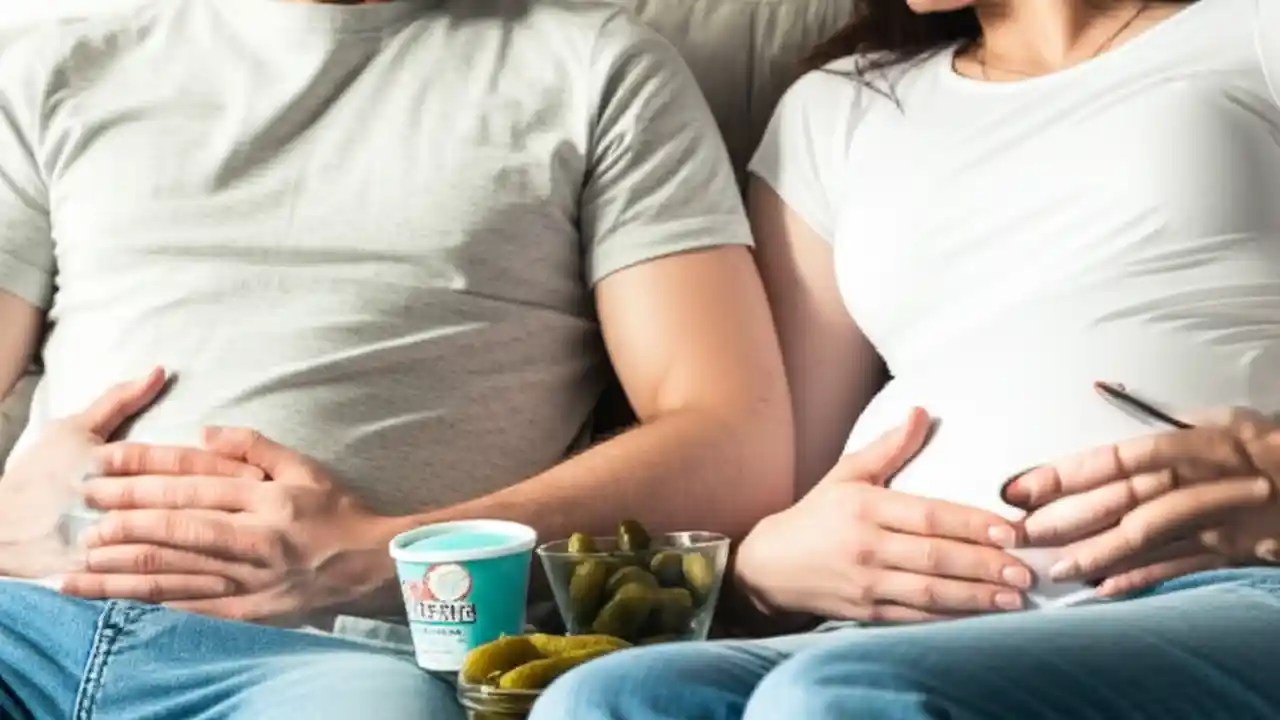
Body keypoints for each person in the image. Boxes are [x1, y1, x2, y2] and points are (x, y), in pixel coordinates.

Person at [0, 0, 794, 718]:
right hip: (24, 624)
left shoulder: (599, 70)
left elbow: (738, 441)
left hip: (332, 662)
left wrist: (388, 554)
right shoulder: (51, 68)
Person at [529, 0, 1280, 717]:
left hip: (1220, 591)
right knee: (605, 700)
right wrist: (760, 572)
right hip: (890, 630)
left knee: (840, 698)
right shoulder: (837, 108)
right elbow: (782, 479)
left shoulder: (1251, 28)